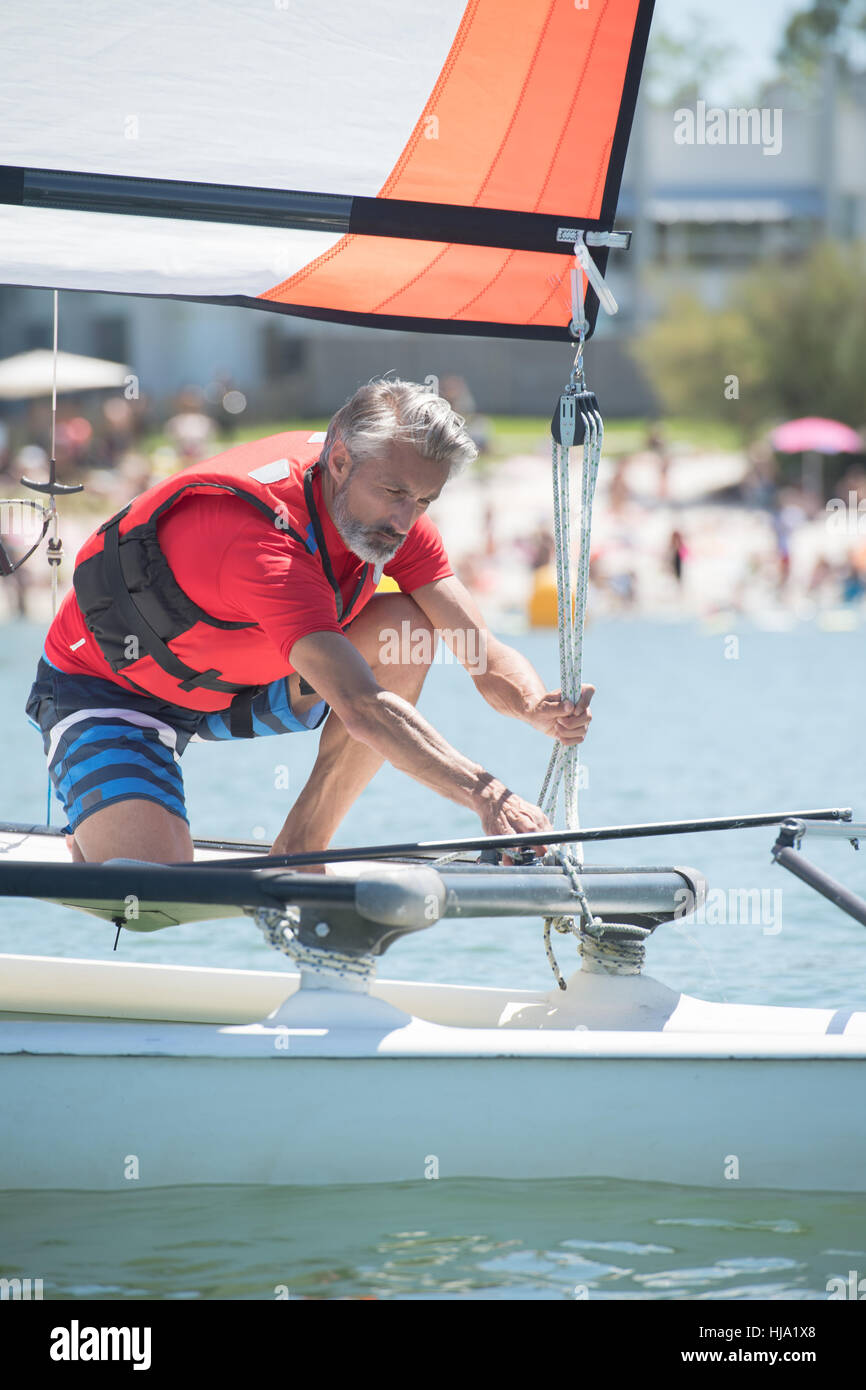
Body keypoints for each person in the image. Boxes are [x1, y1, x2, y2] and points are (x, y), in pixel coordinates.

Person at [25, 378, 594, 865]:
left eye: (424, 500)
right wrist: (487, 796)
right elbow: (363, 707)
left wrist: (533, 705)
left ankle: (299, 852)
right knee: (149, 894)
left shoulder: (395, 513)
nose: (405, 519)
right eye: (395, 493)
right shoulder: (262, 543)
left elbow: (478, 648)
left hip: (233, 689)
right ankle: (96, 824)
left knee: (408, 632)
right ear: (340, 462)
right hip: (109, 691)